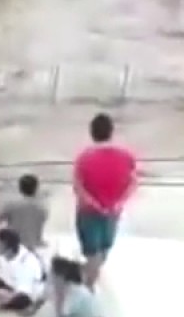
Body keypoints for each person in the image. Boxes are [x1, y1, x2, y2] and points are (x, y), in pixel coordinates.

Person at [73, 112, 137, 286]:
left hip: (89, 212)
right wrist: (118, 203)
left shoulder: (84, 158)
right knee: (103, 249)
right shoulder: (127, 156)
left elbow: (78, 187)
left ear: (91, 132)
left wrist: (94, 204)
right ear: (112, 131)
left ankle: (88, 284)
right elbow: (133, 183)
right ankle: (90, 277)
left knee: (91, 251)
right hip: (113, 213)